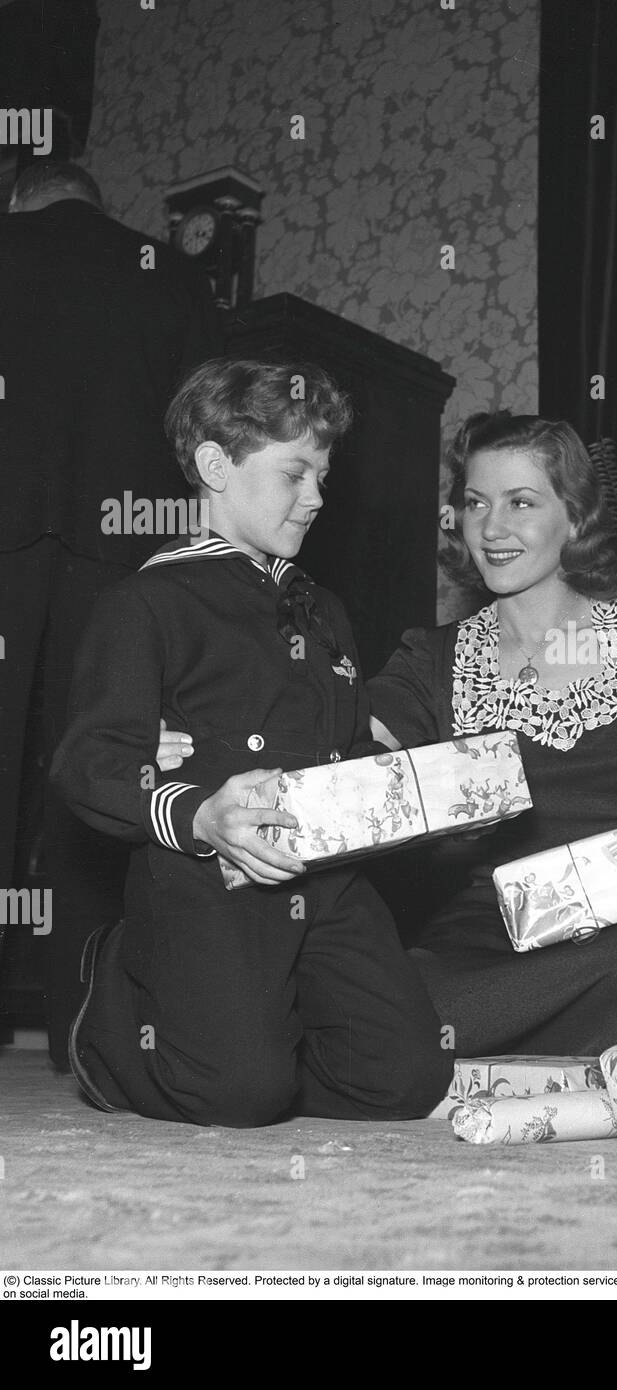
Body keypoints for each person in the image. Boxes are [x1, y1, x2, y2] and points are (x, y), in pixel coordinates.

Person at [51, 359, 452, 1127]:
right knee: (239, 1097)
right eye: (295, 473)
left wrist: (426, 793)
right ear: (214, 466)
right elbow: (88, 760)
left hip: (328, 879)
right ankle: (115, 1018)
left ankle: (258, 1040)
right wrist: (200, 817)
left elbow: (344, 748)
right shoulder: (145, 601)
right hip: (210, 882)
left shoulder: (323, 607)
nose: (317, 498)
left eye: (324, 476)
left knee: (407, 1079)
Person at [370, 412, 617, 1055]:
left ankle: (484, 1075)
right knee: (374, 997)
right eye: (476, 503)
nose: (492, 528)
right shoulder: (432, 658)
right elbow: (353, 764)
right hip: (477, 948)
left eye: (522, 502)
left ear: (576, 517)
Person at [0, 161, 223, 1066]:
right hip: (119, 557)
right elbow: (204, 430)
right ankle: (84, 1030)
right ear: (96, 196)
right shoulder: (169, 273)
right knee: (96, 783)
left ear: (19, 196)